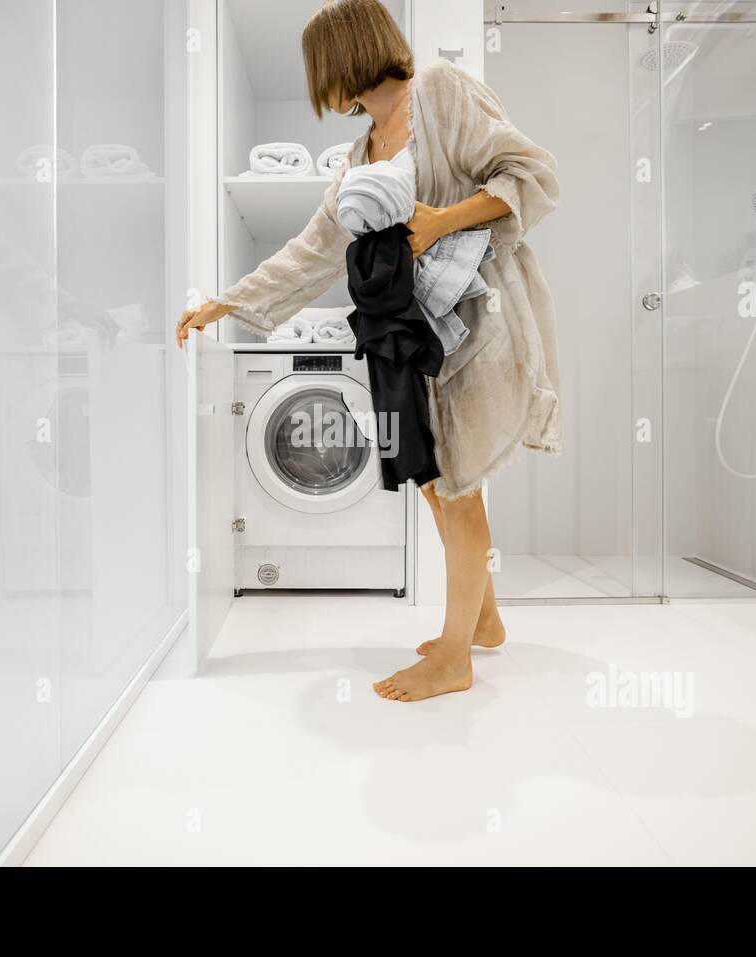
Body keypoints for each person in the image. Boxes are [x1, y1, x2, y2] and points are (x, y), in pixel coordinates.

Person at [177, 0, 560, 701]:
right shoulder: (362, 154)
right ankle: (486, 620)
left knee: (457, 482)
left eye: (321, 70)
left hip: (474, 318)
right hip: (414, 334)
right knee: (436, 477)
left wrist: (444, 219)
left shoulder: (441, 95)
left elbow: (527, 172)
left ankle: (452, 657)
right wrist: (225, 303)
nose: (322, 88)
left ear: (343, 59)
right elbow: (312, 251)